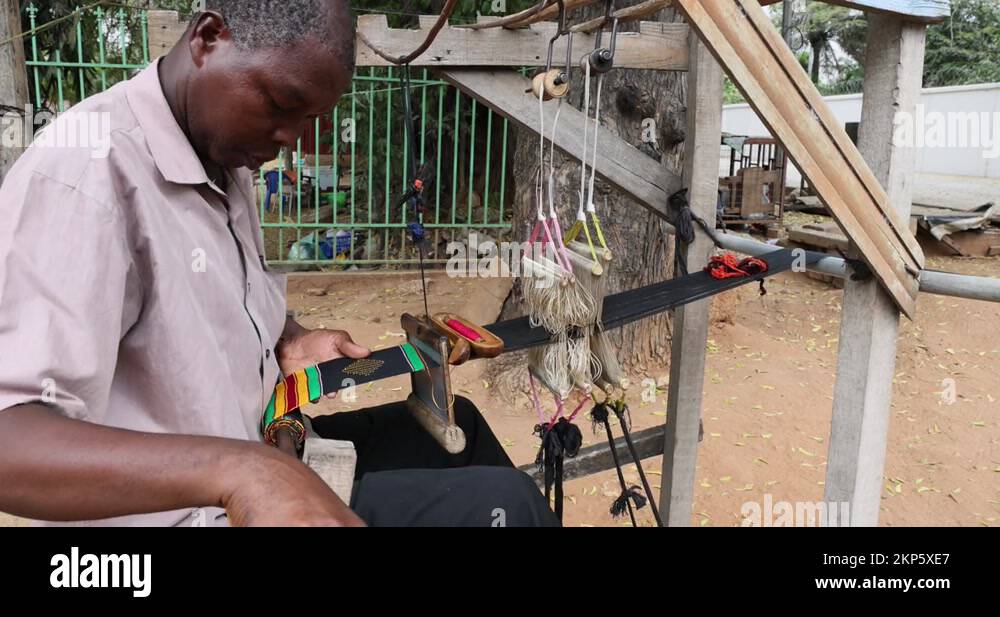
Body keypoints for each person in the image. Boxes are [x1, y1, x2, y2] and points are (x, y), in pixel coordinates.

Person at [0, 0, 556, 528]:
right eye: (281, 105)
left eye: (311, 118)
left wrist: (285, 338)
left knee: (469, 437)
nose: (290, 139)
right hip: (192, 511)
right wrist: (242, 472)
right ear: (208, 38)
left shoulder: (220, 157)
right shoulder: (84, 176)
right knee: (504, 507)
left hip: (268, 447)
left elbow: (203, 308)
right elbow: (12, 442)